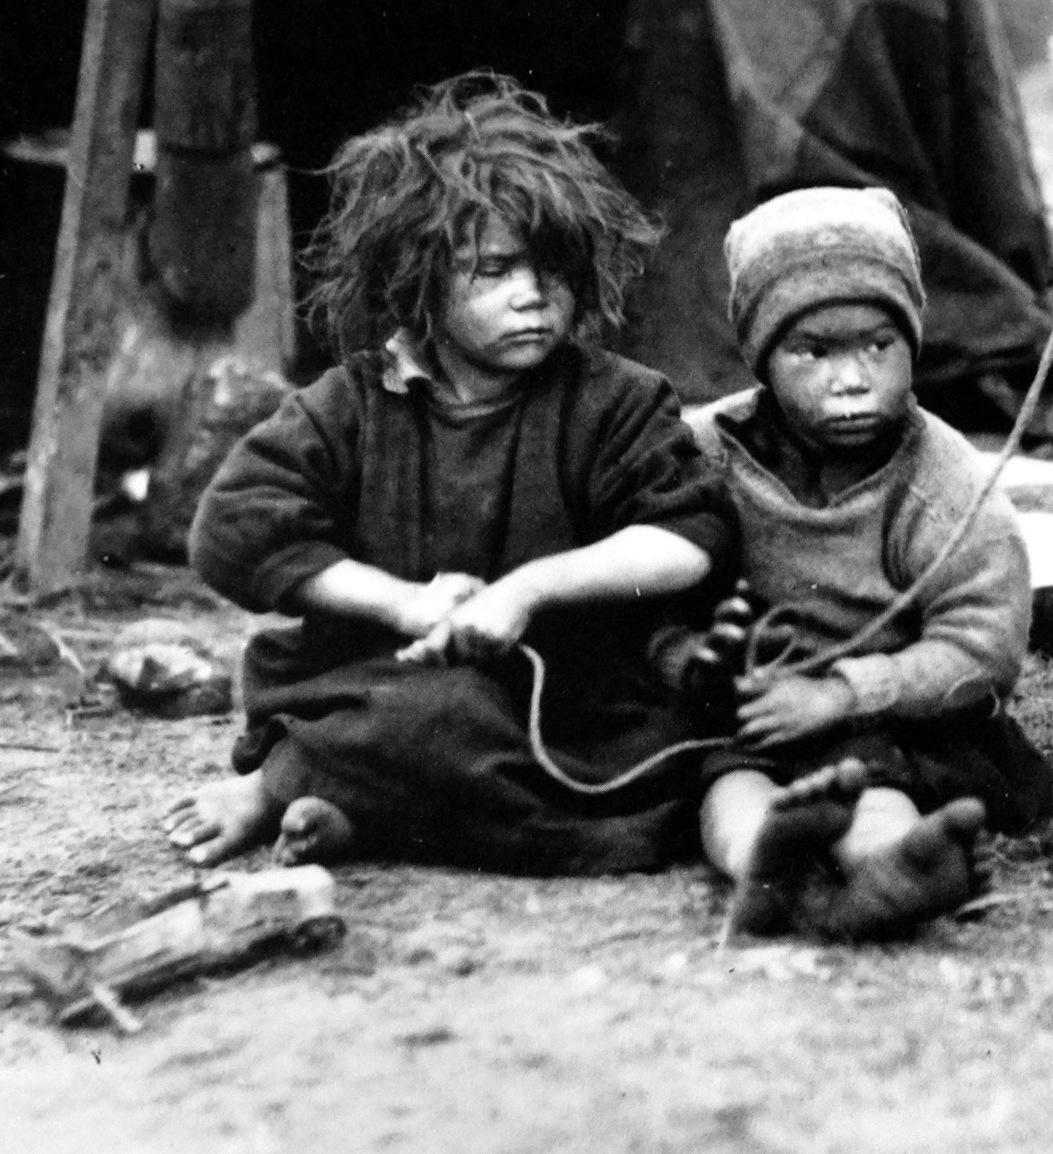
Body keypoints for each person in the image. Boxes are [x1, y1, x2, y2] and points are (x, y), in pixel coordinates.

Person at [163, 72, 734, 875]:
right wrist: (403, 603)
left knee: (647, 763)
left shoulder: (617, 400)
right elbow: (233, 529)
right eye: (494, 271)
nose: (533, 296)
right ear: (419, 278)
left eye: (552, 269)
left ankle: (355, 803)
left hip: (564, 701)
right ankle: (281, 787)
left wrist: (528, 590)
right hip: (379, 685)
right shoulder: (352, 407)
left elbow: (687, 539)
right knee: (430, 712)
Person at [678, 185, 1053, 940]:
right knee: (726, 785)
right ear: (760, 357)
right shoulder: (703, 454)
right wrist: (692, 658)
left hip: (894, 719)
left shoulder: (944, 481)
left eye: (876, 347)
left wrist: (844, 694)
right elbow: (655, 580)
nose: (850, 379)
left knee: (874, 783)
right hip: (748, 713)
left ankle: (897, 865)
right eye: (813, 352)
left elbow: (984, 645)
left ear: (912, 342)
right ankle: (762, 863)